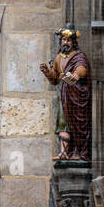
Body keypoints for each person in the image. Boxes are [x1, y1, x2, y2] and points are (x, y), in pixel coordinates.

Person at [40, 27, 91, 162]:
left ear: (73, 42)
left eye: (68, 40)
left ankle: (78, 152)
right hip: (65, 95)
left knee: (77, 123)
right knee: (63, 123)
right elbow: (55, 79)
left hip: (77, 95)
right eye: (63, 40)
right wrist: (47, 72)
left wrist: (76, 74)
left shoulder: (79, 56)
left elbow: (82, 68)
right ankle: (63, 152)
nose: (65, 43)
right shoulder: (58, 58)